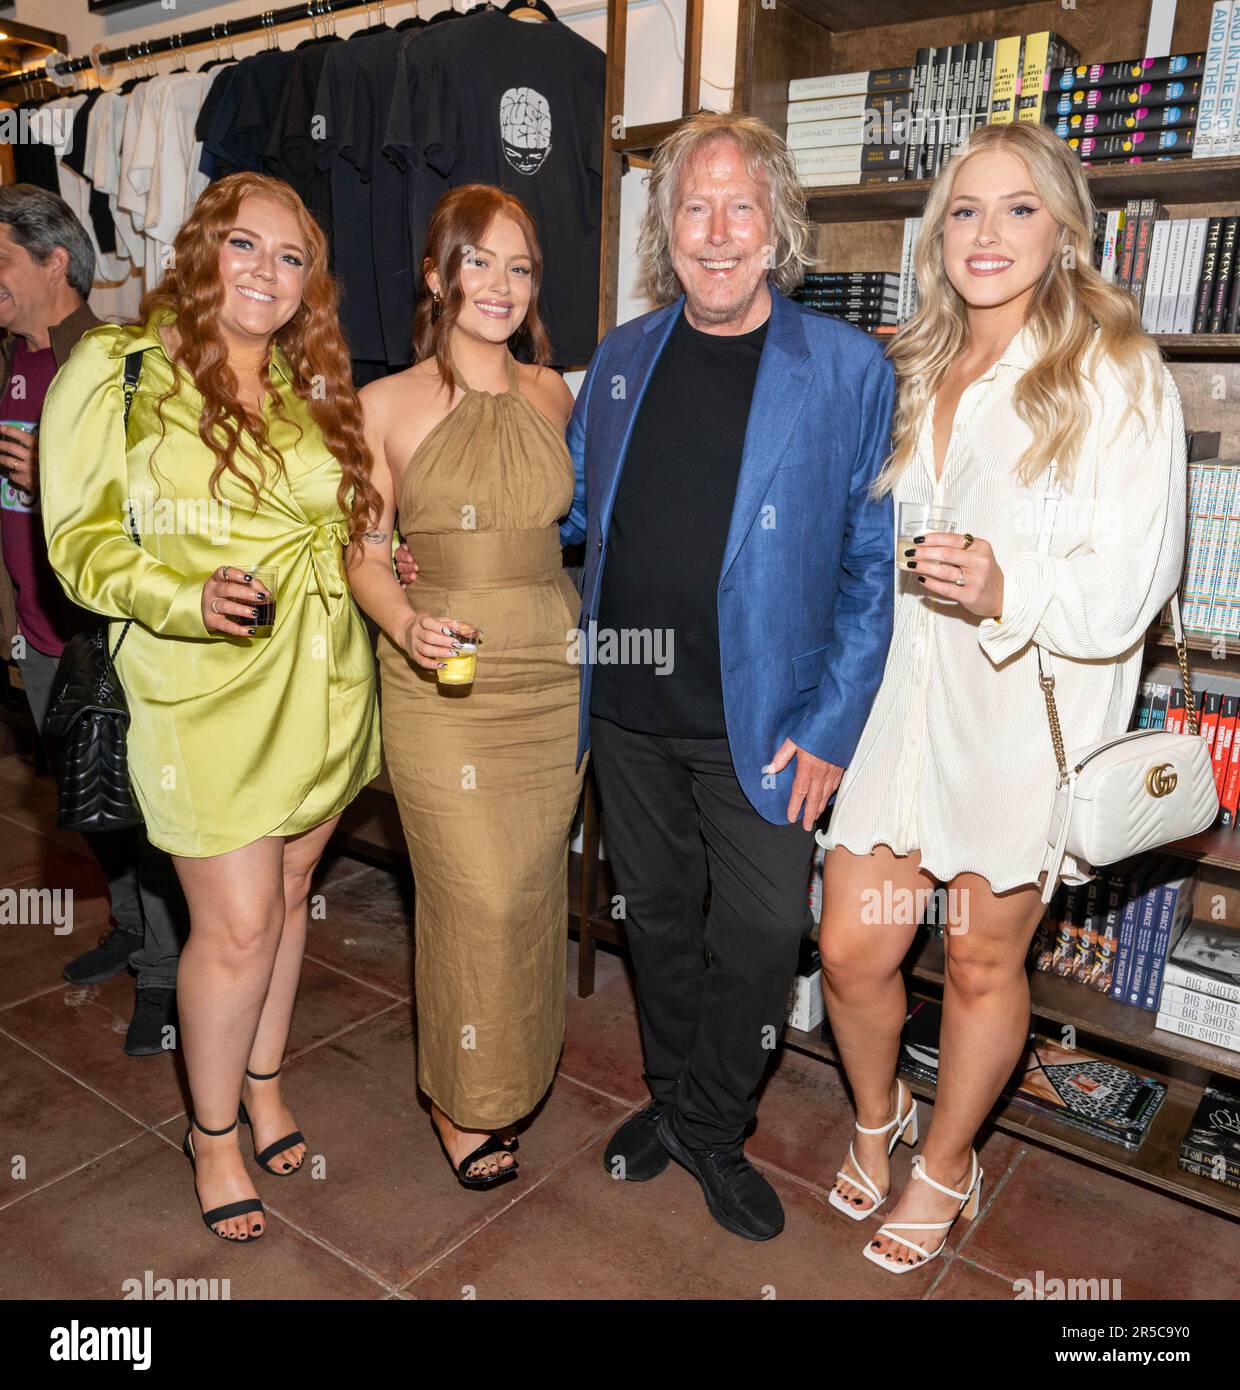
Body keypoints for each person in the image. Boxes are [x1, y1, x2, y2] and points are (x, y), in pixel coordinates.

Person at [817, 121, 1185, 1272]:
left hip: (1023, 709)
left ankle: (945, 1162)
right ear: (937, 237)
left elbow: (1134, 584)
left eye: (1018, 208)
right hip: (905, 700)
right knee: (849, 947)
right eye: (965, 210)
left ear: (1064, 227)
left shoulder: (1117, 369)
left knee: (980, 959)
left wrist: (1003, 584)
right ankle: (878, 1119)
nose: (987, 232)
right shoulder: (914, 361)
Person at [558, 111, 895, 1241]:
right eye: (692, 208)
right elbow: (569, 516)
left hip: (767, 722)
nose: (714, 231)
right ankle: (674, 1104)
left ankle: (714, 1122)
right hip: (628, 708)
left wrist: (834, 727)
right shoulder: (619, 359)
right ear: (668, 230)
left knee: (755, 940)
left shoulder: (844, 370)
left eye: (737, 206)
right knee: (652, 920)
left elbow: (868, 568)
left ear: (776, 225)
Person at [40, 172, 382, 1243]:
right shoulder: (119, 367)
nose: (267, 273)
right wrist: (185, 596)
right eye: (246, 245)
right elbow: (80, 545)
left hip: (326, 682)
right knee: (232, 926)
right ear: (201, 251)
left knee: (285, 894)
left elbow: (333, 524)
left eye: (291, 259)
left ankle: (267, 1079)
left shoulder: (306, 381)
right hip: (202, 688)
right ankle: (215, 1130)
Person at [350, 184, 583, 1189]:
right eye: (478, 262)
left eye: (518, 266)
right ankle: (458, 1093)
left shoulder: (552, 394)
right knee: (471, 894)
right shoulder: (383, 405)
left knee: (531, 890)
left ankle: (513, 1072)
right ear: (438, 274)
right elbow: (361, 550)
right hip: (442, 676)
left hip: (549, 667)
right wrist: (404, 619)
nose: (499, 284)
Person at [0, 184, 188, 1054]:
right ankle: (129, 932)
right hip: (34, 634)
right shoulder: (8, 358)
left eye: (2, 263)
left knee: (144, 813)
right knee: (93, 809)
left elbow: (157, 504)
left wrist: (57, 486)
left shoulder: (120, 360)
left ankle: (165, 976)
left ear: (55, 263)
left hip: (102, 638)